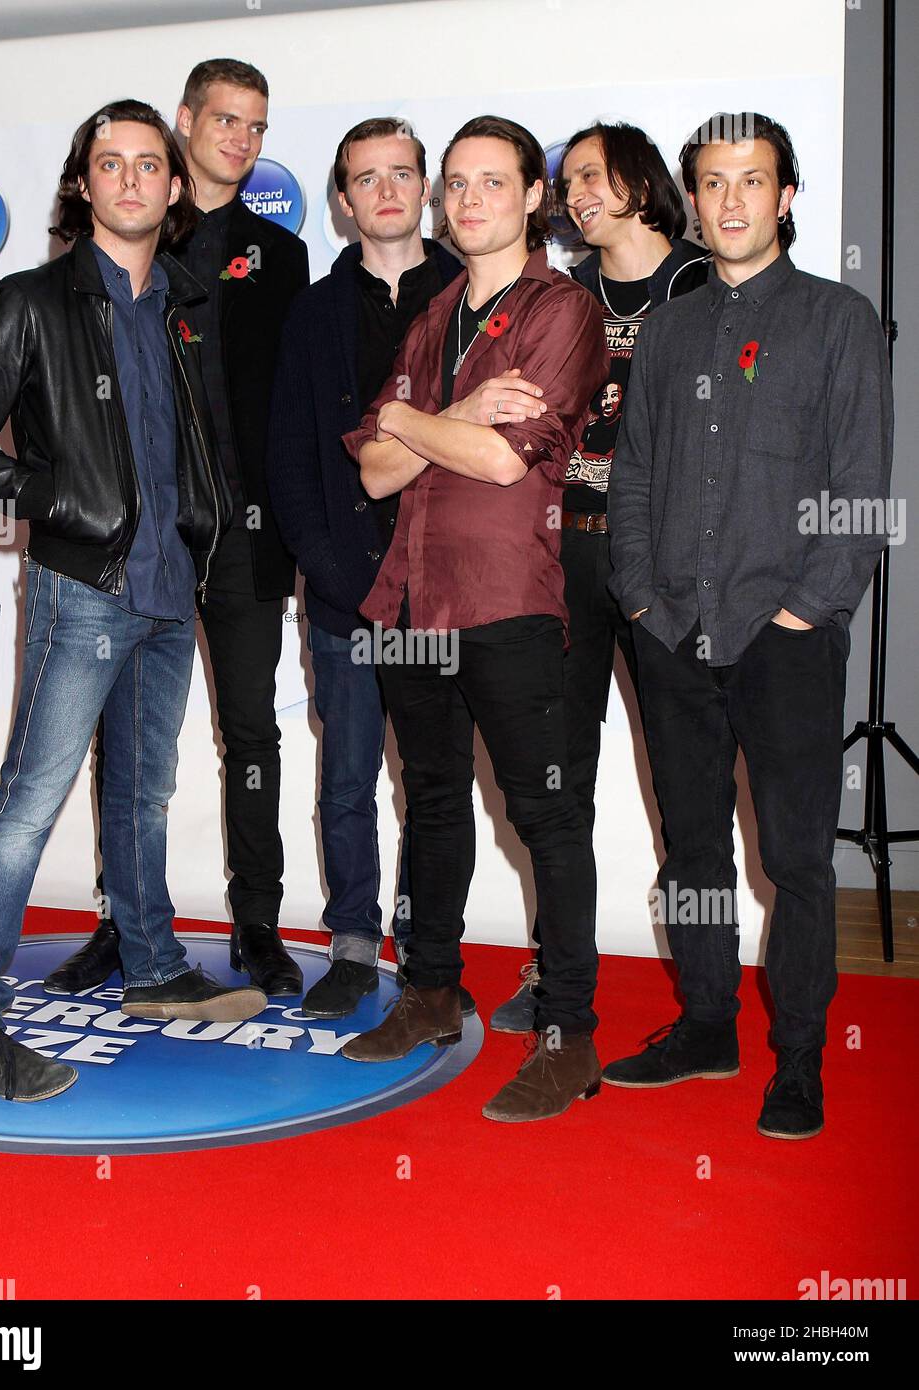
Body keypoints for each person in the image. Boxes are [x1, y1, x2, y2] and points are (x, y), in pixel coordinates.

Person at [0, 100, 267, 1102]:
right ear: (83, 183)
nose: (129, 179)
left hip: (167, 591)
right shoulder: (32, 301)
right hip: (80, 590)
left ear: (174, 184)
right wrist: (55, 499)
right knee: (29, 805)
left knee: (142, 794)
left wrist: (204, 531)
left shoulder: (182, 307)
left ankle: (152, 965)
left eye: (148, 163)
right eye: (108, 163)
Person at [606, 112, 893, 1139]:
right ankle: (706, 1024)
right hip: (672, 631)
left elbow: (862, 495)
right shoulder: (666, 330)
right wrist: (639, 597)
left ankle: (801, 1060)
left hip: (787, 639)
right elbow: (632, 477)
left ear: (786, 196)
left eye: (752, 180)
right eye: (713, 183)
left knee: (798, 860)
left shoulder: (838, 320)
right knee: (690, 850)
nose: (731, 201)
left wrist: (803, 611)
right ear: (692, 199)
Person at [340, 115, 609, 1123]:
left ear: (534, 196)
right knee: (434, 807)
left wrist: (410, 422)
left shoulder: (562, 309)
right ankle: (430, 992)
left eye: (492, 181)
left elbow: (503, 460)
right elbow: (374, 471)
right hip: (411, 599)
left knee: (547, 818)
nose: (469, 199)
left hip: (506, 602)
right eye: (455, 183)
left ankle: (569, 1035)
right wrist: (441, 416)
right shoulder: (431, 315)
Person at [45, 59, 310, 1001]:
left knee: (251, 734)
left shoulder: (282, 255)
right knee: (123, 742)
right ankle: (123, 925)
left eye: (256, 125)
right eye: (225, 119)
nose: (241, 138)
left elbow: (291, 407)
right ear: (185, 121)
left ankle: (257, 925)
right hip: (141, 533)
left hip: (244, 532)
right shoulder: (130, 232)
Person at [488, 121, 711, 1032]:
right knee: (556, 777)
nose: (573, 193)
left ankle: (705, 1008)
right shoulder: (561, 293)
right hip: (567, 551)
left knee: (687, 787)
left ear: (639, 181)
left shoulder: (703, 284)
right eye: (566, 179)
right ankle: (555, 973)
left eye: (590, 175)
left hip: (669, 561)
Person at [266, 117, 472, 1018]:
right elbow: (288, 459)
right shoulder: (312, 312)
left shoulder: (474, 294)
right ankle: (351, 943)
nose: (385, 191)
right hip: (344, 591)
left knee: (435, 785)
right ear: (343, 201)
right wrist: (329, 570)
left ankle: (428, 957)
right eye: (365, 178)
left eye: (401, 174)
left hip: (448, 588)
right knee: (347, 778)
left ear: (425, 188)